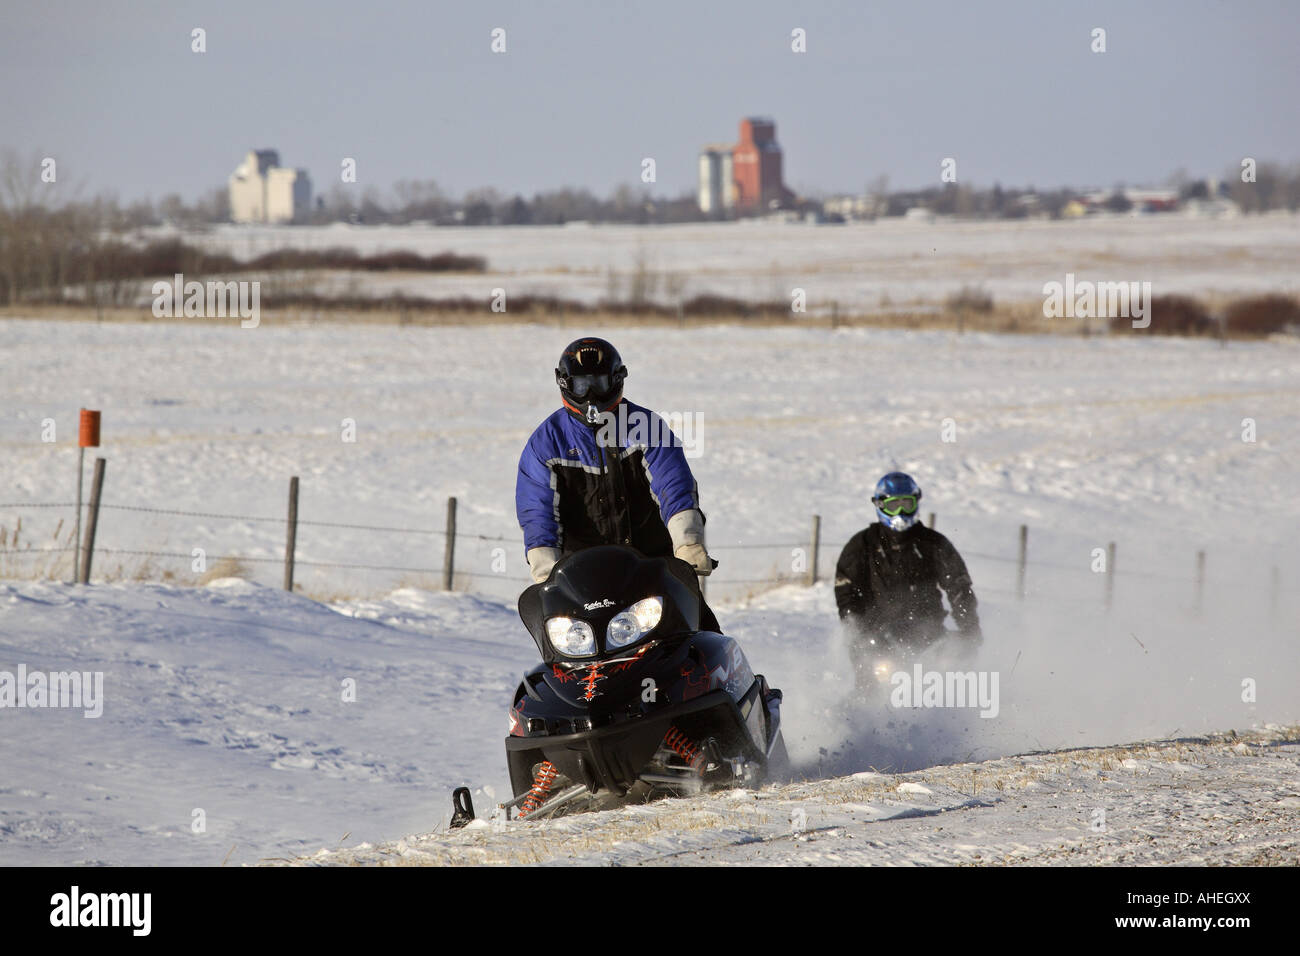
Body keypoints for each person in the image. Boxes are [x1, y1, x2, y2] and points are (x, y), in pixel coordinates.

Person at [516, 336, 720, 629]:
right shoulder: (546, 444)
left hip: (655, 571)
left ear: (617, 381)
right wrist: (545, 576)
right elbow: (538, 514)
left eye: (598, 384)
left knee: (706, 641)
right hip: (580, 584)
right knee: (563, 661)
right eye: (581, 385)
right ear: (564, 385)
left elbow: (673, 486)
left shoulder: (646, 427)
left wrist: (688, 544)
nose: (590, 396)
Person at [834, 472, 981, 660]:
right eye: (893, 506)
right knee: (869, 686)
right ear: (880, 506)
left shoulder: (934, 544)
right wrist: (859, 633)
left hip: (930, 640)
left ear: (916, 503)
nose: (900, 512)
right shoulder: (862, 545)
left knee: (953, 680)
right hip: (877, 643)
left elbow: (959, 587)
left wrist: (969, 629)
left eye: (906, 504)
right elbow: (846, 595)